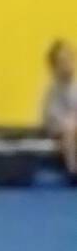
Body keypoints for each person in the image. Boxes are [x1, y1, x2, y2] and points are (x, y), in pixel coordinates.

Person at [42, 40, 77, 177]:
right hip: (61, 129)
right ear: (54, 67)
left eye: (69, 60)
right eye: (62, 62)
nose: (67, 65)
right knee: (69, 126)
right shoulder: (53, 91)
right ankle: (73, 169)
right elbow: (51, 117)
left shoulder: (74, 87)